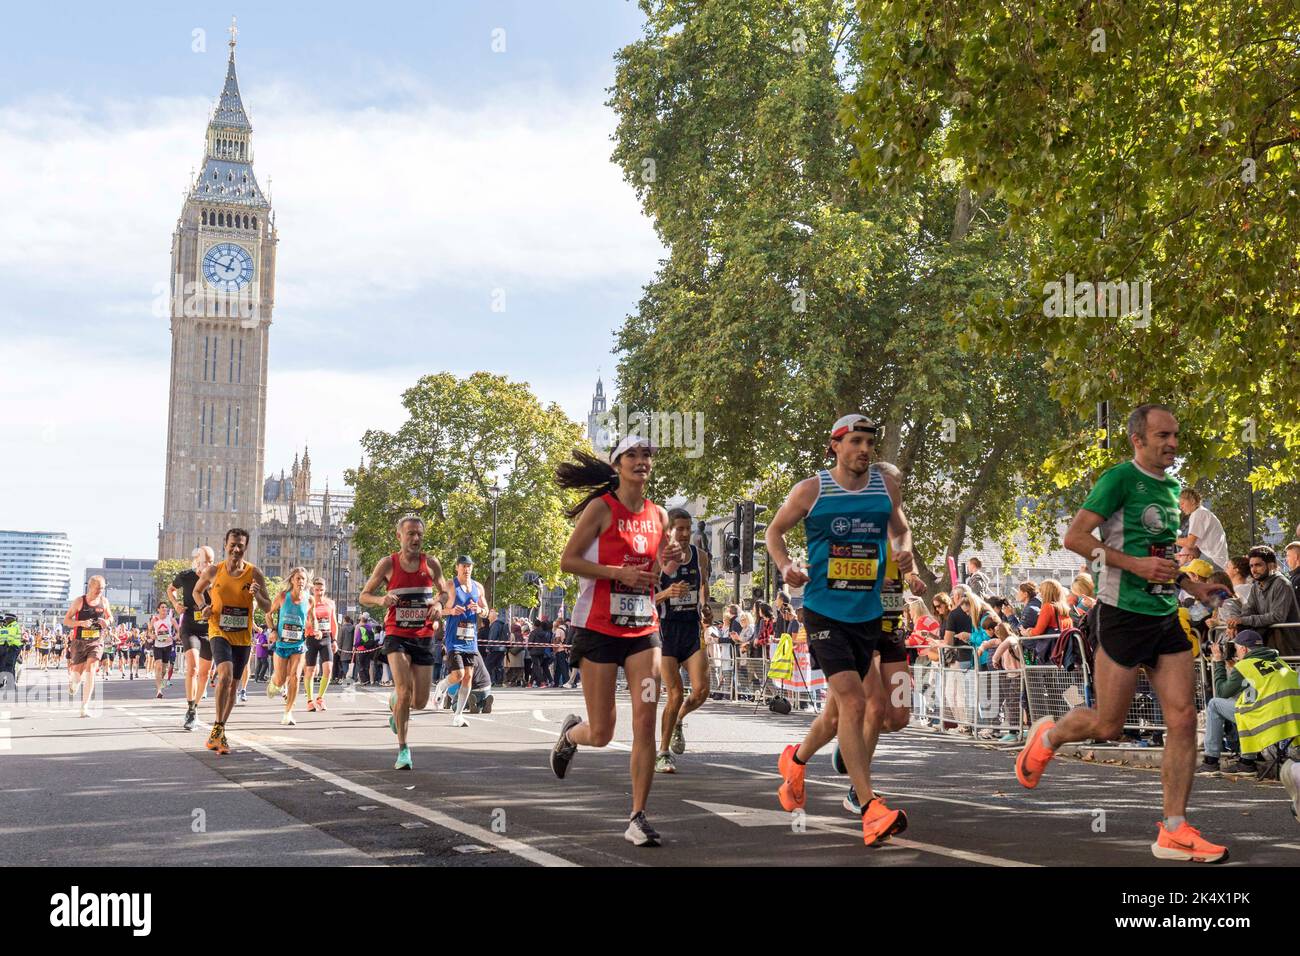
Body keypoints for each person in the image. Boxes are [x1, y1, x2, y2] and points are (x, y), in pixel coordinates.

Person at [1016, 404, 1232, 862]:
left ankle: (1173, 829)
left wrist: (1191, 584)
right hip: (1120, 614)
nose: (1172, 444)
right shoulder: (1118, 480)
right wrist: (1133, 564)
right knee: (1108, 725)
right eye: (1162, 436)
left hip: (1162, 615)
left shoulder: (1173, 487)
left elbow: (1161, 558)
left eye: (1175, 435)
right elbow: (1074, 539)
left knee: (1184, 718)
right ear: (1137, 439)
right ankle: (1049, 736)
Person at [766, 414, 916, 846]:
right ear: (835, 445)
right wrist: (786, 565)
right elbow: (775, 532)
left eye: (869, 441)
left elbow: (901, 531)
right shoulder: (812, 490)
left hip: (868, 615)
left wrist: (904, 553)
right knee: (853, 704)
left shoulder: (884, 488)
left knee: (853, 712)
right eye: (855, 441)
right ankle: (869, 807)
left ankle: (795, 762)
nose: (864, 449)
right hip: (824, 612)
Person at [549, 436, 685, 847]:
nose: (642, 461)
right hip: (599, 628)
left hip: (643, 630)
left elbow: (660, 566)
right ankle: (572, 734)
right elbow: (568, 561)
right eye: (633, 455)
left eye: (647, 455)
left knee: (645, 720)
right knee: (604, 731)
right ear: (618, 465)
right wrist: (617, 573)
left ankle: (637, 816)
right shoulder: (600, 509)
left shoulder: (658, 514)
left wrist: (670, 559)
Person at [358, 515, 447, 770]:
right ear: (400, 536)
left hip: (424, 636)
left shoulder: (431, 563)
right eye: (410, 533)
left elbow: (444, 590)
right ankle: (404, 749)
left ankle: (395, 705)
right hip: (397, 634)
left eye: (419, 534)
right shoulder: (388, 564)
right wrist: (381, 600)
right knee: (404, 689)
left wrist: (439, 604)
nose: (416, 538)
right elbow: (364, 595)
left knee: (418, 701)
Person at [193, 528, 272, 755]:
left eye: (241, 545)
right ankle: (218, 728)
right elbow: (197, 593)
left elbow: (267, 607)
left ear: (246, 547)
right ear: (225, 544)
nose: (236, 549)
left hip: (243, 635)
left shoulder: (254, 573)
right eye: (233, 544)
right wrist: (203, 607)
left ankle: (219, 729)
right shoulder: (213, 571)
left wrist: (257, 594)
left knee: (234, 685)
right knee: (225, 675)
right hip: (219, 630)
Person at [654, 507, 711, 774]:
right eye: (680, 528)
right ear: (669, 531)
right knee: (675, 693)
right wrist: (667, 593)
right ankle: (663, 752)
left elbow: (703, 589)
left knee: (701, 691)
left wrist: (706, 606)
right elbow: (646, 598)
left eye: (689, 528)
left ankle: (678, 720)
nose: (686, 533)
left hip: (691, 628)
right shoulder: (659, 558)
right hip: (666, 631)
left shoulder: (700, 557)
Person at [432, 556, 487, 728]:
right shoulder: (450, 586)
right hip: (453, 638)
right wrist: (450, 610)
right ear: (457, 568)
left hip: (470, 638)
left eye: (469, 566)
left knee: (468, 676)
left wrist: (479, 610)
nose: (467, 569)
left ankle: (458, 715)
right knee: (459, 674)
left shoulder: (478, 587)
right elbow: (435, 607)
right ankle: (442, 686)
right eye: (463, 566)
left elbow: (486, 611)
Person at [1228, 546, 1300, 656]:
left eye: (1258, 565)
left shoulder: (1282, 584)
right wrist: (1236, 625)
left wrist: (1243, 621)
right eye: (1251, 566)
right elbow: (1248, 611)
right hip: (1268, 647)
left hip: (1287, 648)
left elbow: (1277, 616)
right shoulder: (1255, 586)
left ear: (1271, 565)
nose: (1253, 569)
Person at [267, 567, 312, 725]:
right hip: (281, 643)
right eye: (298, 578)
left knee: (294, 677)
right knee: (280, 680)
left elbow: (311, 618)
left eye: (303, 579)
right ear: (292, 580)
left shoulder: (309, 599)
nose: (300, 581)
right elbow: (268, 614)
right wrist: (273, 630)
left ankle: (288, 712)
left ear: (306, 582)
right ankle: (274, 682)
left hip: (298, 644)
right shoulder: (282, 596)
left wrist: (316, 629)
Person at [64, 576, 112, 718]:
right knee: (77, 675)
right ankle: (74, 683)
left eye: (102, 588)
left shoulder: (104, 601)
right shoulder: (80, 601)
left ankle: (84, 706)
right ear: (90, 587)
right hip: (79, 641)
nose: (100, 591)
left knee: (91, 668)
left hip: (96, 640)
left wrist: (107, 621)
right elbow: (67, 620)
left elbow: (111, 617)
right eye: (98, 588)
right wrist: (80, 623)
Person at [303, 578, 338, 713]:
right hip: (311, 638)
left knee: (328, 669)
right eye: (316, 590)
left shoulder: (330, 603)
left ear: (325, 589)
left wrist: (334, 640)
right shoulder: (307, 603)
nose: (319, 593)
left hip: (326, 638)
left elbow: (333, 623)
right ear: (313, 590)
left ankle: (320, 698)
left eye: (321, 590)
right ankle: (310, 701)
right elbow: (304, 621)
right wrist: (312, 628)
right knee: (310, 671)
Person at [1175, 489, 1228, 571]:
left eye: (1182, 503)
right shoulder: (1202, 512)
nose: (1181, 507)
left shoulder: (1198, 514)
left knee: (1179, 573)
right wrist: (1182, 555)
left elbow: (1190, 543)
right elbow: (1195, 546)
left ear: (1192, 501)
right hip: (1219, 561)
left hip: (1213, 561)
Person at [149, 602, 177, 699]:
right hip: (158, 646)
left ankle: (161, 685)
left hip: (168, 646)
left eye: (166, 607)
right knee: (159, 667)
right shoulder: (154, 619)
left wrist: (173, 638)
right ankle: (159, 691)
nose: (164, 608)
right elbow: (149, 631)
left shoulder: (171, 619)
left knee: (164, 670)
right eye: (162, 607)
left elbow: (179, 630)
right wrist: (152, 635)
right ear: (158, 609)